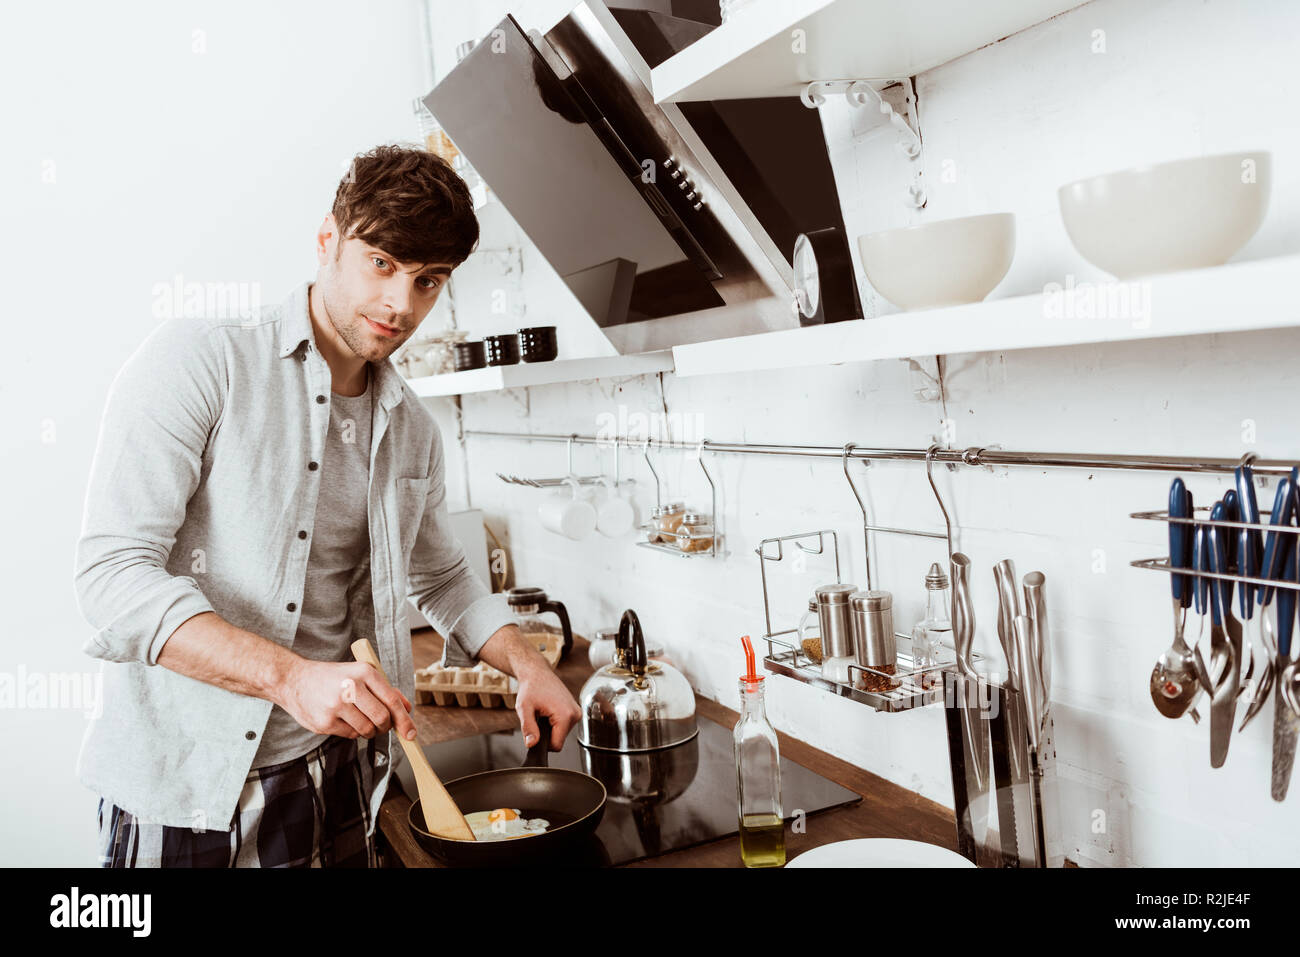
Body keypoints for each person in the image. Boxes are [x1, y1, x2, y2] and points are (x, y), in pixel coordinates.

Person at [74, 144, 580, 867]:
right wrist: (291, 677)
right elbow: (111, 579)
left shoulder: (412, 429)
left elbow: (439, 578)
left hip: (337, 772)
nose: (401, 305)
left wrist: (527, 665)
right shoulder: (199, 360)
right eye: (382, 263)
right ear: (327, 241)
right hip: (184, 783)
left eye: (428, 281)